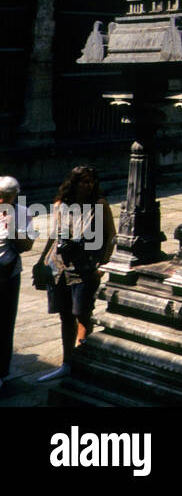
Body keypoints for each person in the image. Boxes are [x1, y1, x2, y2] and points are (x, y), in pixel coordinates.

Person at [36, 165, 116, 383]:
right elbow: (53, 236)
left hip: (85, 267)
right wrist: (41, 261)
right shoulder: (60, 204)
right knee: (65, 316)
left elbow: (111, 236)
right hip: (59, 267)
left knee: (82, 314)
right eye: (83, 181)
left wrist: (102, 264)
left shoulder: (99, 205)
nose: (87, 185)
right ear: (74, 183)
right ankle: (67, 361)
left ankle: (82, 361)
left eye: (91, 181)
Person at [0, 176, 34, 393]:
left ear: (14, 196)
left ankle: (1, 373)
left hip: (7, 275)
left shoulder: (22, 213)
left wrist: (13, 230)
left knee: (3, 323)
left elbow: (27, 245)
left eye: (5, 198)